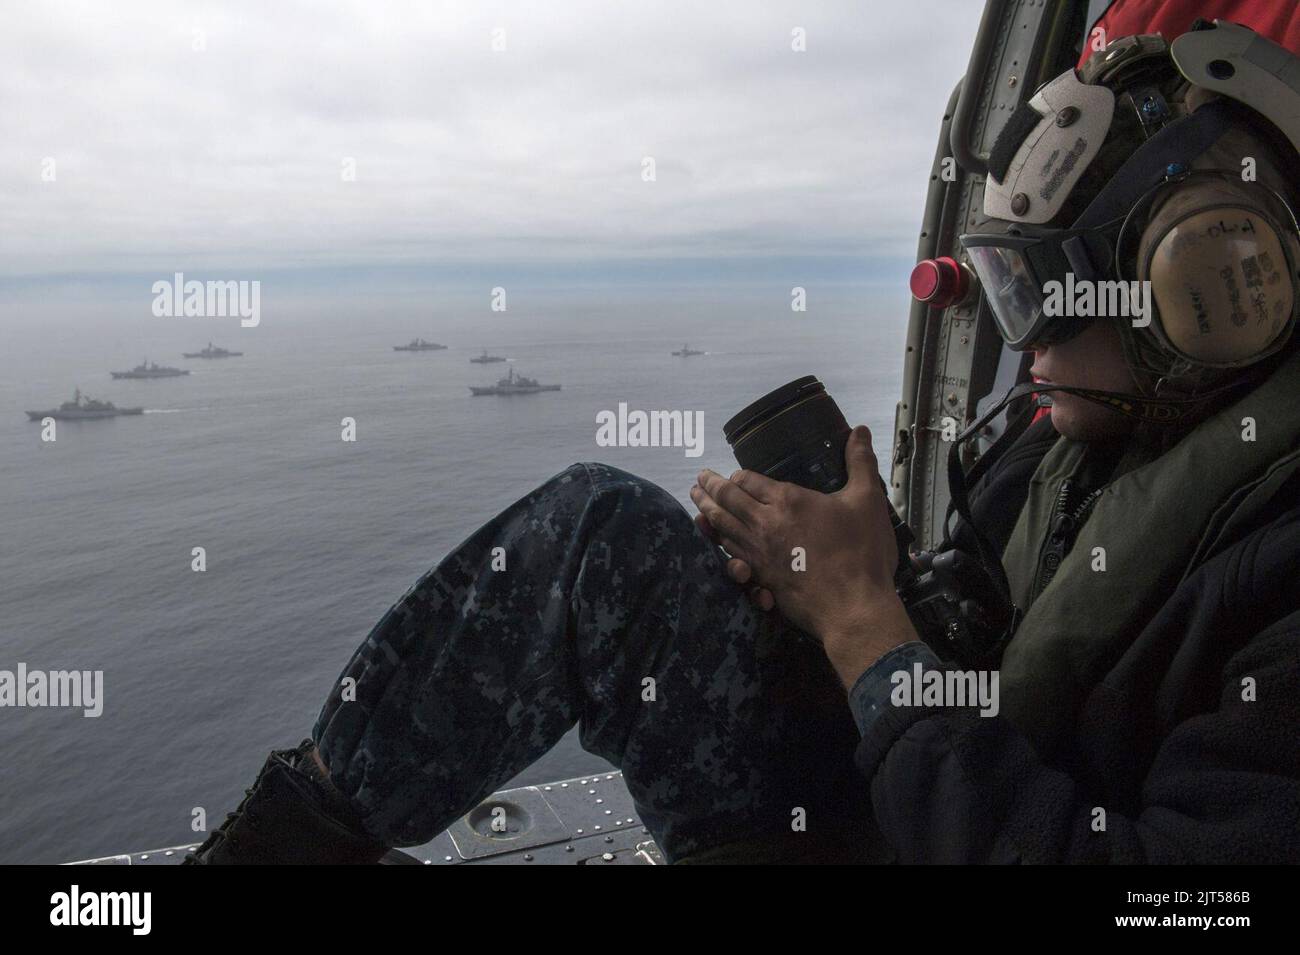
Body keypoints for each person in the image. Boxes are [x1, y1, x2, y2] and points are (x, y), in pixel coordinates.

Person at [187, 21, 1300, 864]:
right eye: (1008, 291)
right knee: (601, 534)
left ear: (1204, 282)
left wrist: (866, 629)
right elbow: (985, 641)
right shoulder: (1079, 444)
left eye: (1047, 293)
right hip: (910, 794)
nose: (1026, 345)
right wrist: (843, 582)